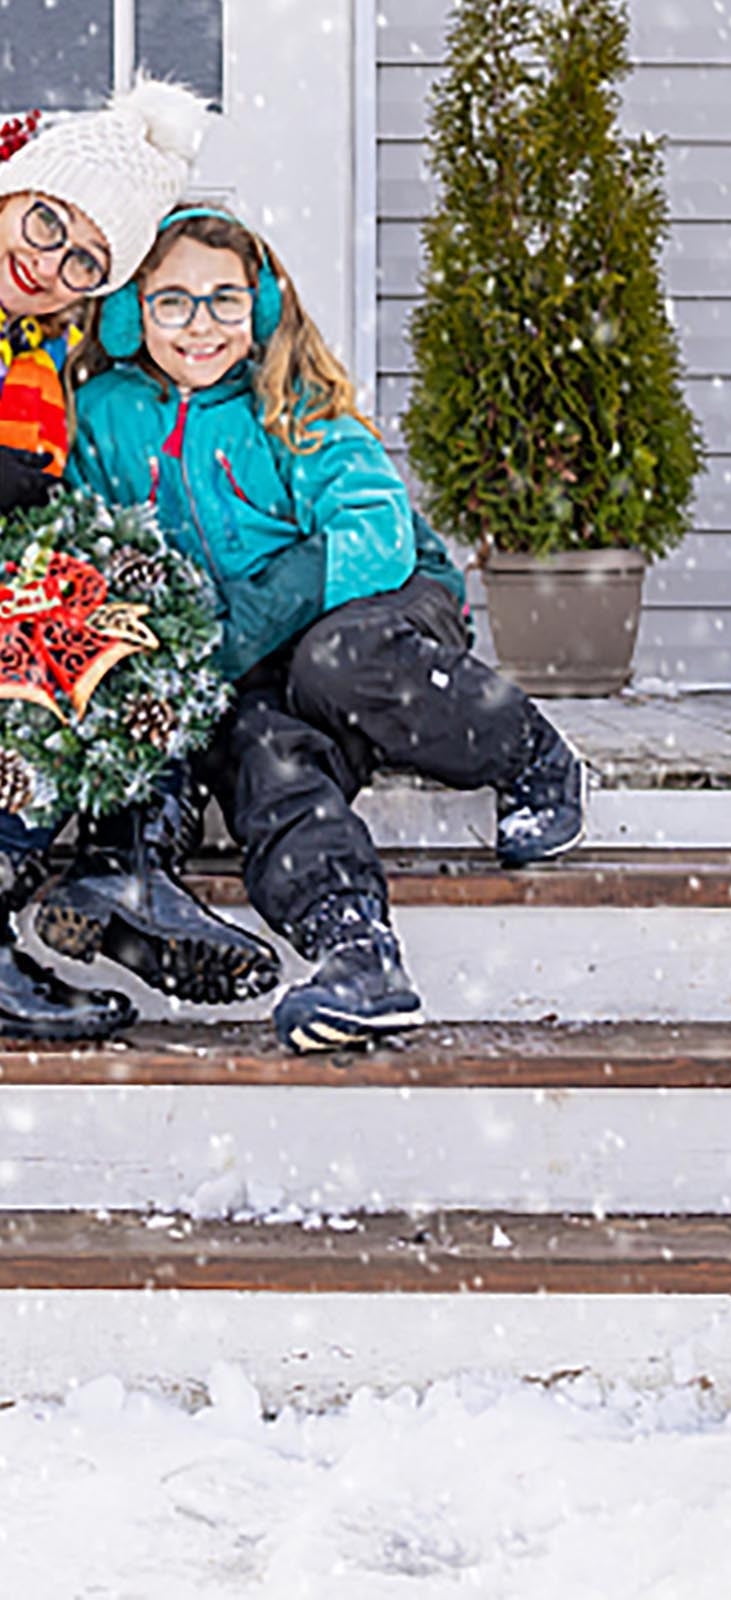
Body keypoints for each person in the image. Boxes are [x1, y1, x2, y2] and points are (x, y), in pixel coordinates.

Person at [70, 207, 586, 1054]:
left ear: (260, 308)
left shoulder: (290, 402)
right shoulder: (105, 415)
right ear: (132, 313)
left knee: (334, 663)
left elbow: (373, 532)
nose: (200, 325)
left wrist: (242, 625)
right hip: (244, 661)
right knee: (263, 754)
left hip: (377, 606)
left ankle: (528, 756)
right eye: (172, 303)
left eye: (223, 301)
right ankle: (357, 952)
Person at [0, 80, 280, 1042]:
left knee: (129, 609)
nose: (49, 263)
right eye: (44, 223)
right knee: (61, 635)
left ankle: (123, 868)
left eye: (84, 258)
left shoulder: (40, 347)